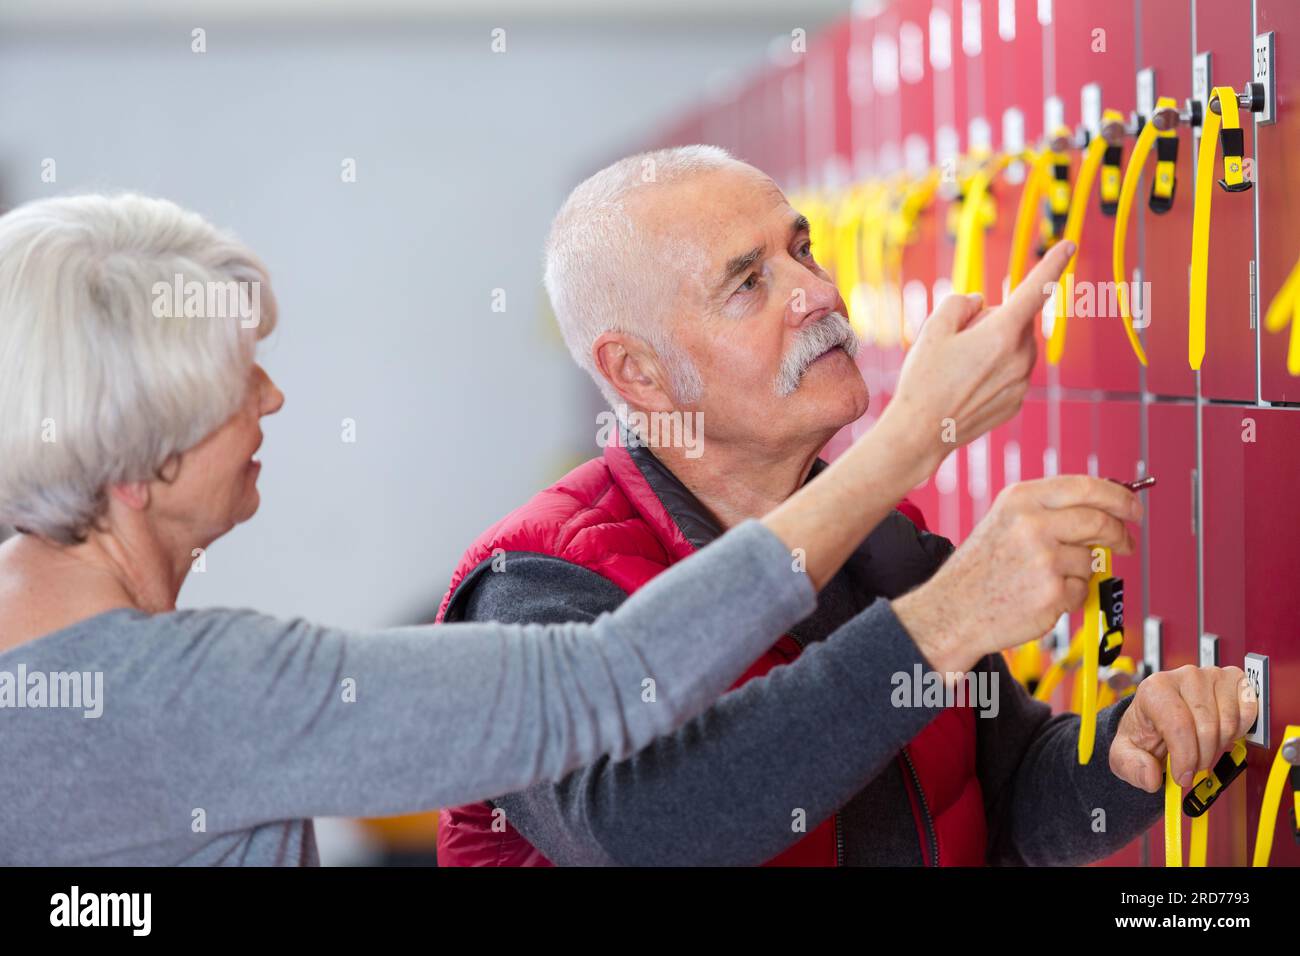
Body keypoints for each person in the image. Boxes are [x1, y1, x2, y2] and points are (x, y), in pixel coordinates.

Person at [0, 192, 1016, 865]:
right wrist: (908, 443)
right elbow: (610, 688)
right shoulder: (205, 691)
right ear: (142, 455)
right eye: (236, 377)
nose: (271, 397)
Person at [435, 146, 1256, 866]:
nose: (818, 293)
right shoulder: (533, 589)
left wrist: (1125, 752)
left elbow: (1003, 801)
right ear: (639, 374)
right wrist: (950, 617)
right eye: (749, 283)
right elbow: (649, 827)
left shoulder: (884, 552)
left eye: (803, 250)